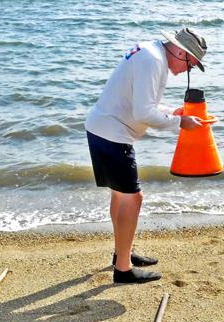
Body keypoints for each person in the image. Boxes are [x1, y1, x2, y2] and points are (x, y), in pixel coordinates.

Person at [85, 28, 208, 284]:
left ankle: (122, 253)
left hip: (103, 127)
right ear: (181, 52)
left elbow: (141, 102)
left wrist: (171, 111)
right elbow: (142, 113)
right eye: (191, 64)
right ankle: (123, 269)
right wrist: (180, 122)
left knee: (121, 196)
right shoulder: (153, 60)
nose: (188, 70)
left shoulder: (152, 52)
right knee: (133, 199)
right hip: (112, 132)